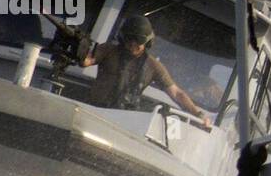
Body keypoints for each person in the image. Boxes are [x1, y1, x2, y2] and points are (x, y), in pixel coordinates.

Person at [80, 14, 213, 129]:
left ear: (148, 41)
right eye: (129, 38)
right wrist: (79, 50)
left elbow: (177, 93)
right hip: (93, 110)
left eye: (139, 40)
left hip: (125, 120)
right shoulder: (108, 50)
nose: (133, 44)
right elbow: (87, 61)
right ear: (122, 37)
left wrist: (197, 114)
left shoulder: (153, 66)